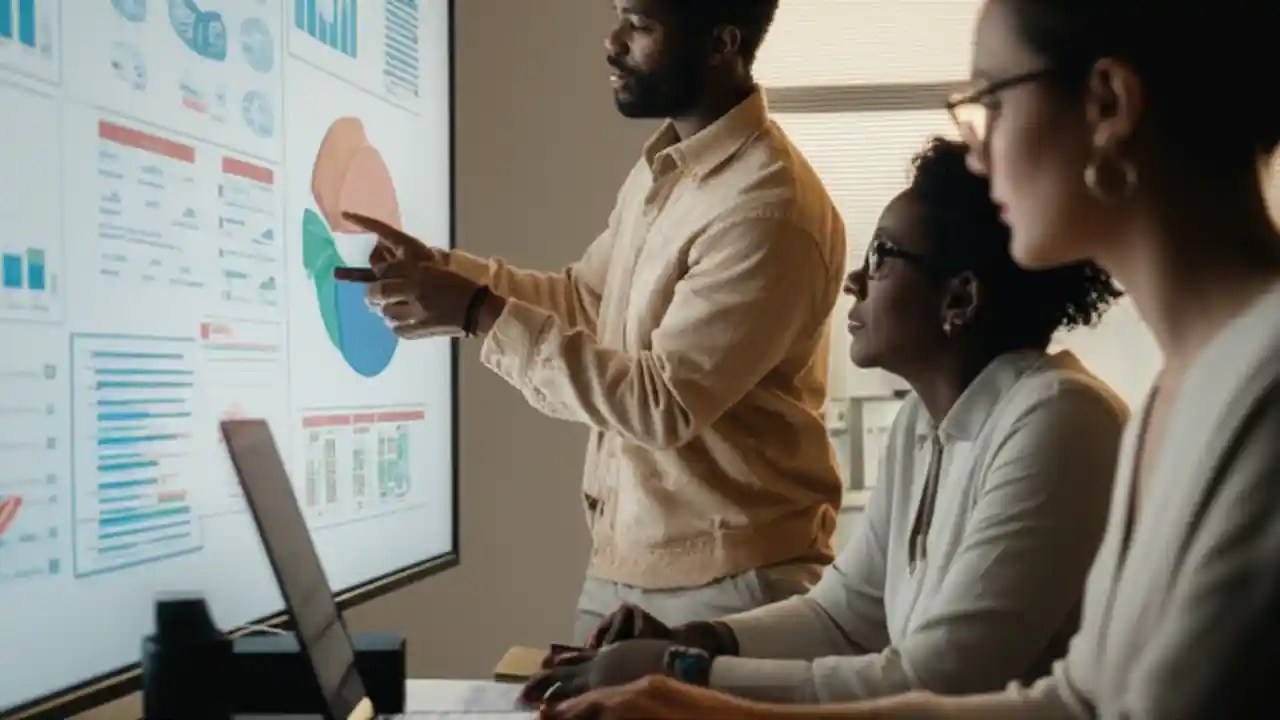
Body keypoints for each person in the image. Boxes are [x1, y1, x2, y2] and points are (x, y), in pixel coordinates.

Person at [536, 1, 1280, 718]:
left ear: (1109, 104)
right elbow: (1078, 702)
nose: (979, 152)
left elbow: (965, 679)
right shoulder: (1176, 390)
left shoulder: (1245, 386)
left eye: (992, 99)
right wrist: (694, 656)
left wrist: (700, 684)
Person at [523, 136, 1129, 706]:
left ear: (960, 300)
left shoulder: (1059, 422)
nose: (853, 281)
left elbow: (942, 678)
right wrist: (699, 639)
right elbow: (844, 615)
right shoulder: (923, 422)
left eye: (883, 256)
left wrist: (683, 672)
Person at [339, 0, 848, 639]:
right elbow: (586, 301)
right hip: (627, 569)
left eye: (639, 24)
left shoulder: (768, 208)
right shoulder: (665, 169)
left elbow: (661, 404)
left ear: (720, 43)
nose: (612, 43)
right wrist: (447, 274)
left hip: (733, 589)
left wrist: (475, 312)